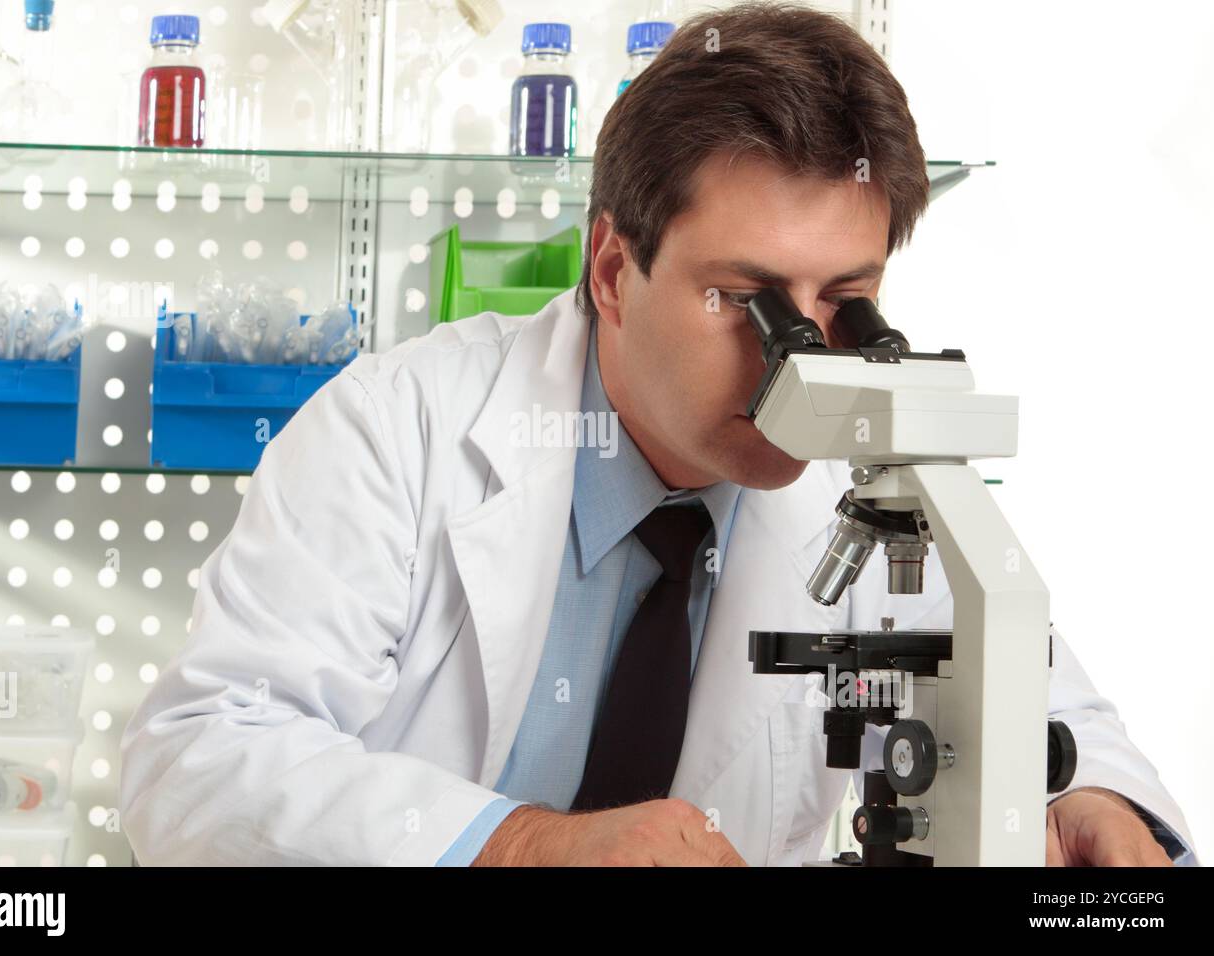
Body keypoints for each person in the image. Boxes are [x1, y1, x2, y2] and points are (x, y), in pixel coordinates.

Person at [120, 2, 1196, 866]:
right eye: (746, 298)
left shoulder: (868, 489)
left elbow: (1046, 698)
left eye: (845, 301)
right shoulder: (398, 430)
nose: (800, 359)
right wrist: (519, 844)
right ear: (611, 271)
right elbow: (199, 758)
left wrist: (1093, 794)